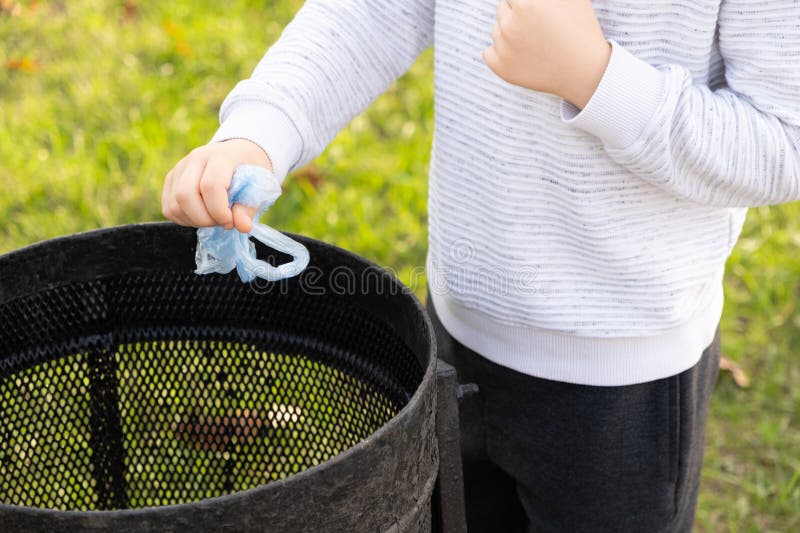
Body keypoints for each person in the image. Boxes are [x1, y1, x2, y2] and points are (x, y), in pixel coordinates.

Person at [161, 1, 800, 531]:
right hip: (457, 331)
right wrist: (263, 129)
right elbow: (377, 10)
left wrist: (597, 78)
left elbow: (783, 140)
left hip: (623, 382)